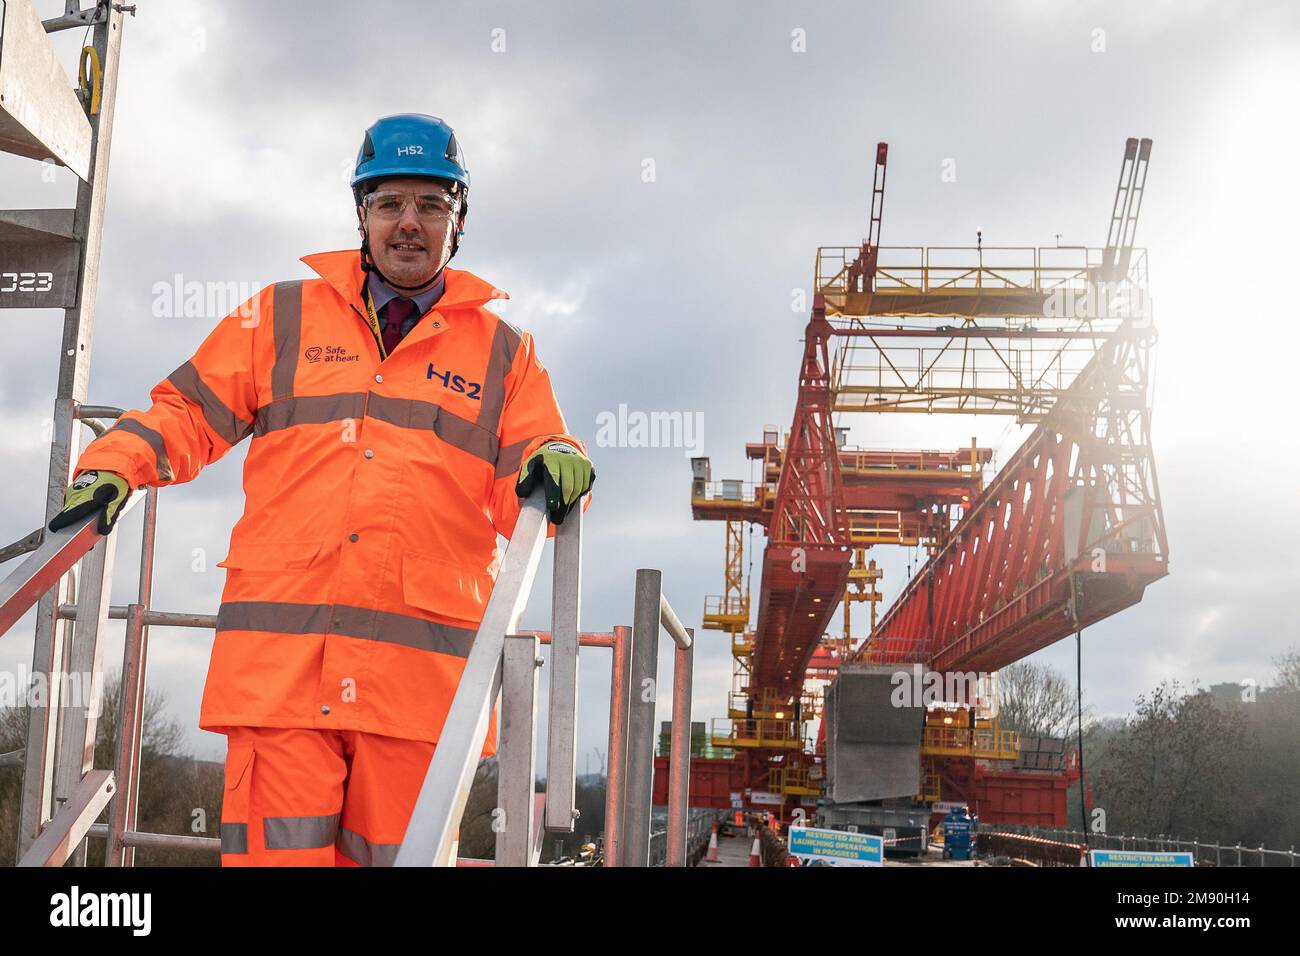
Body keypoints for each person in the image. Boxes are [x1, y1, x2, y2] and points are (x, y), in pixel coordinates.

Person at [48, 113, 595, 866]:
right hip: (282, 681)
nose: (409, 224)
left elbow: (539, 467)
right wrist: (114, 466)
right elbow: (183, 412)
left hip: (417, 695)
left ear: (458, 221)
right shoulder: (279, 318)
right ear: (360, 215)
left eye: (431, 205)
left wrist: (559, 458)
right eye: (389, 204)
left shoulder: (505, 356)